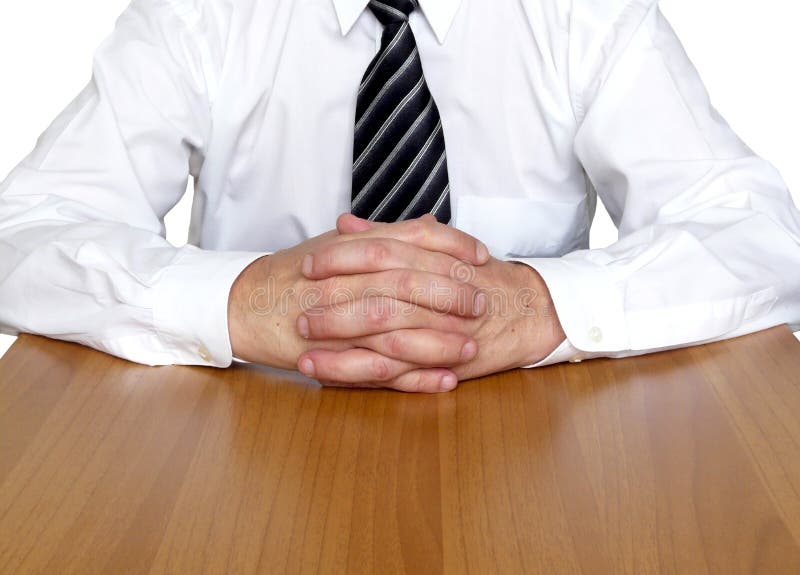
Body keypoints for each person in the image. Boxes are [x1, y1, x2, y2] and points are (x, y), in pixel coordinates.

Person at [1, 0, 798, 393]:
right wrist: (237, 300)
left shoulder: (585, 15)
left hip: (537, 453)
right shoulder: (202, 14)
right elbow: (23, 235)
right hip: (242, 446)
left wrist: (541, 304)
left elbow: (761, 235)